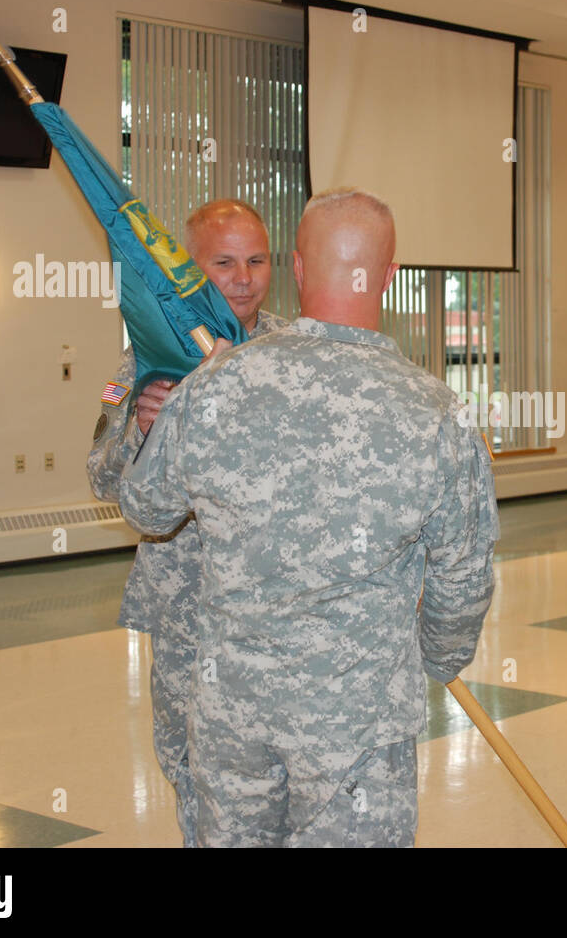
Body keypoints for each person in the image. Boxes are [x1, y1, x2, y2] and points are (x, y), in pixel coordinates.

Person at [118, 187, 498, 847]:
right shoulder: (436, 413)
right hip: (357, 724)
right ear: (389, 277)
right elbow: (463, 575)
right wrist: (438, 658)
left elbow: (146, 509)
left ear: (294, 269)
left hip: (232, 714)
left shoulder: (210, 388)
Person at [87, 198, 288, 845]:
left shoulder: (294, 357)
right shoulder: (151, 359)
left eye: (256, 260)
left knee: (278, 766)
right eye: (224, 262)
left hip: (278, 610)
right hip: (185, 611)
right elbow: (101, 477)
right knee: (191, 763)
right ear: (193, 271)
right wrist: (145, 431)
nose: (244, 276)